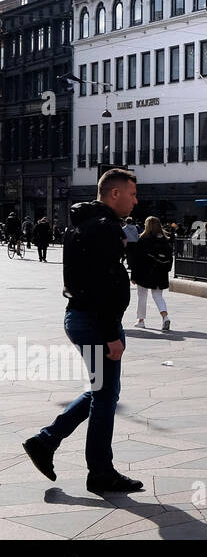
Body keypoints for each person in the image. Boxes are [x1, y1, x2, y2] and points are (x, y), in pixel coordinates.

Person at [24, 169, 145, 494]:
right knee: (105, 398)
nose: (136, 200)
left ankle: (45, 442)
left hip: (81, 318)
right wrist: (110, 334)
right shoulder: (103, 228)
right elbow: (101, 285)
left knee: (101, 392)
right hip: (94, 322)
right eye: (131, 194)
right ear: (114, 194)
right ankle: (100, 472)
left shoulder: (83, 225)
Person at [131, 216, 174, 330]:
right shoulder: (165, 240)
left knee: (142, 296)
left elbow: (137, 260)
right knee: (158, 296)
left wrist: (134, 276)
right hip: (160, 272)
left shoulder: (143, 239)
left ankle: (141, 320)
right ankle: (165, 317)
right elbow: (170, 258)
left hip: (144, 272)